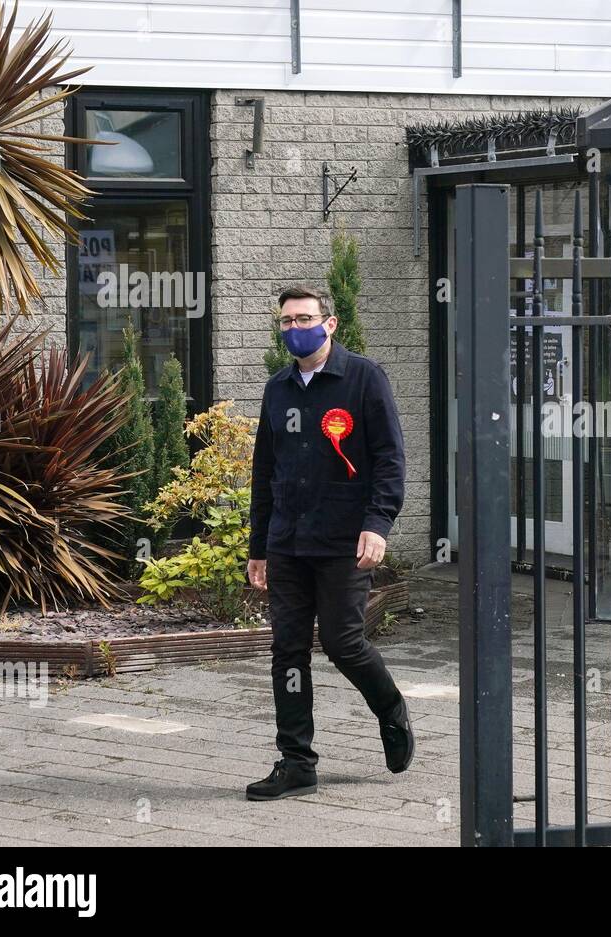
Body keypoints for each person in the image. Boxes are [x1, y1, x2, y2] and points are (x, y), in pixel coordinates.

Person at [244, 285, 413, 801]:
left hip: (345, 540)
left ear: (330, 323)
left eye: (305, 319)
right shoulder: (278, 389)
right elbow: (264, 472)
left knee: (343, 642)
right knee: (287, 650)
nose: (296, 328)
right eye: (288, 321)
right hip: (288, 543)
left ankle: (391, 709)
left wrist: (377, 524)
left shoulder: (363, 378)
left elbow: (389, 458)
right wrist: (258, 547)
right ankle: (296, 761)